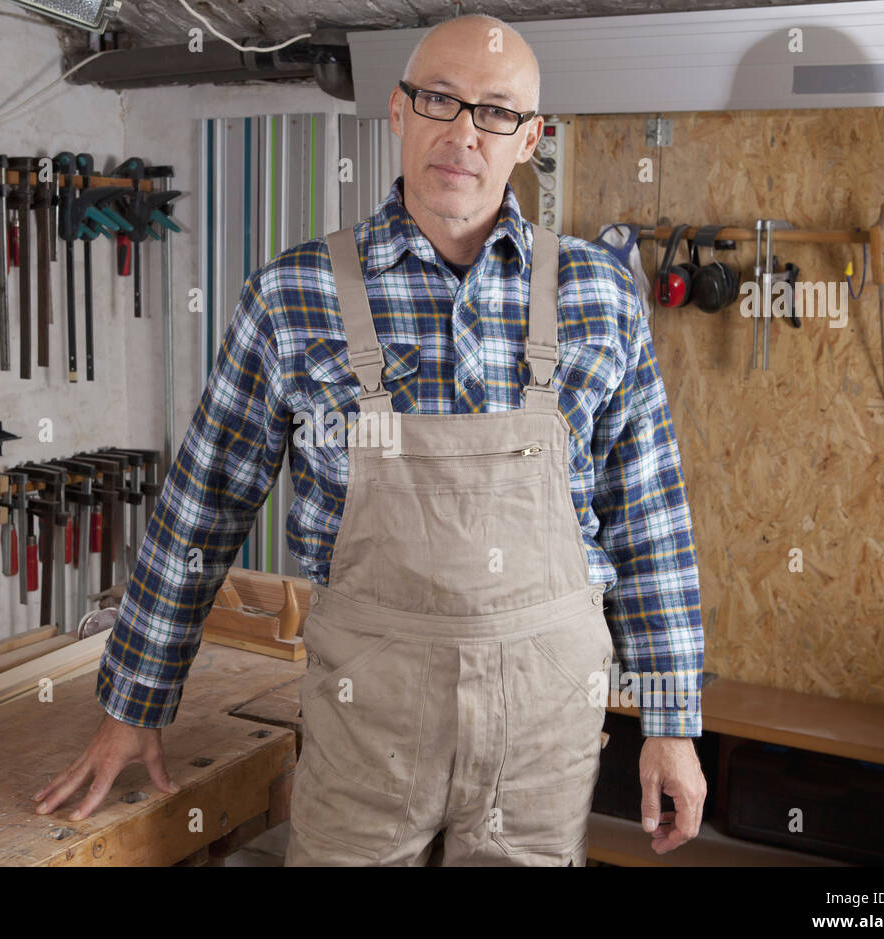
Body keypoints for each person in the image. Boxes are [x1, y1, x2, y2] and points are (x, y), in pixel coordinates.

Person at [34, 13, 707, 866]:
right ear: (397, 112)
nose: (464, 132)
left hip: (542, 734)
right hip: (366, 724)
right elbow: (199, 514)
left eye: (496, 112)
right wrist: (135, 705)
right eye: (440, 99)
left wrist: (672, 724)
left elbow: (651, 523)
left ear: (531, 138)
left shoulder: (600, 296)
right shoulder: (293, 295)